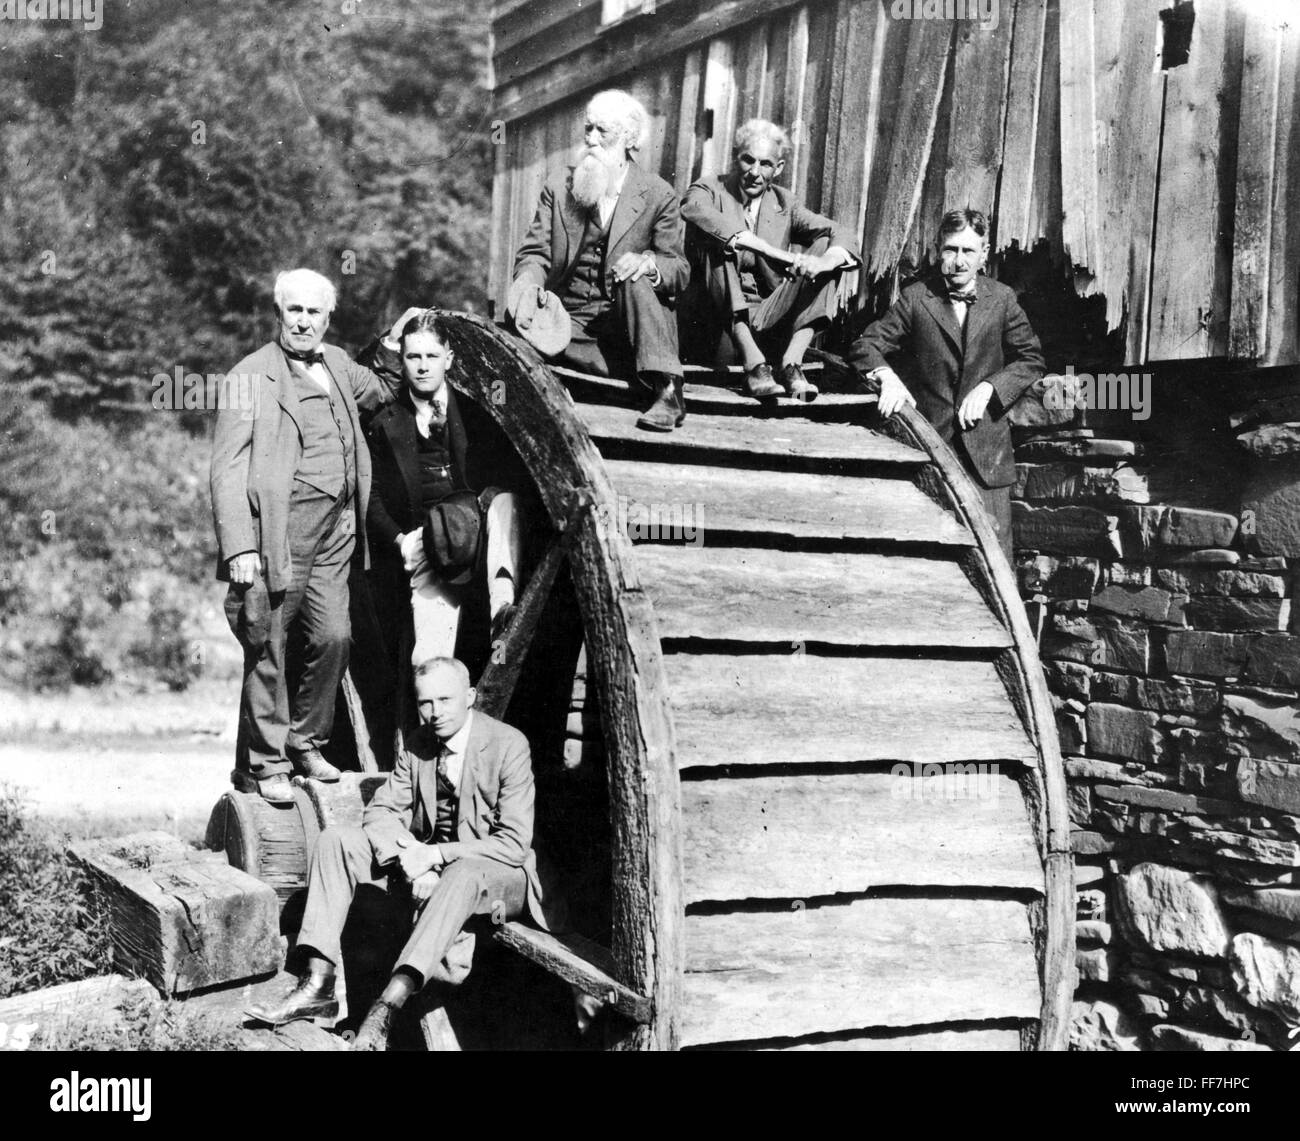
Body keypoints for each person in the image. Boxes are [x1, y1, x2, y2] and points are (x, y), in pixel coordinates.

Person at [245, 656, 555, 1051]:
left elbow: (512, 843)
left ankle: (387, 1006)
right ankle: (318, 984)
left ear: (471, 697)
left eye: (445, 699)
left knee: (462, 875)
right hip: (434, 865)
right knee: (337, 840)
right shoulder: (418, 743)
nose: (435, 712)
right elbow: (381, 810)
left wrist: (436, 855)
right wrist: (410, 861)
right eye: (426, 702)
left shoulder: (509, 745)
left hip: (500, 877)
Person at [210, 269, 404, 803]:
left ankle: (305, 742)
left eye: (313, 312)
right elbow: (227, 468)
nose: (302, 321)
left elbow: (385, 389)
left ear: (327, 318)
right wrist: (240, 547)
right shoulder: (250, 376)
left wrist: (395, 342)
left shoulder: (340, 363)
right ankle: (266, 762)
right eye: (293, 310)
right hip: (280, 531)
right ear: (278, 314)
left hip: (338, 533)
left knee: (333, 637)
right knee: (267, 644)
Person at [848, 209, 1044, 560]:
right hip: (932, 449)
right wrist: (886, 377)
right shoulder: (915, 298)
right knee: (931, 556)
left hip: (987, 457)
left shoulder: (1002, 299)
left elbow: (1031, 359)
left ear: (984, 254)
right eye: (950, 250)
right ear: (938, 251)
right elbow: (865, 345)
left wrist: (990, 389)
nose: (958, 261)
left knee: (994, 560)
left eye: (968, 252)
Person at [508, 88, 691, 433]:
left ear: (629, 139)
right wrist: (528, 286)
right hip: (568, 322)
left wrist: (648, 263)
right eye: (588, 128)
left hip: (625, 326)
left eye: (602, 131)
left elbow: (679, 269)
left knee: (636, 272)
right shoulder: (560, 186)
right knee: (513, 335)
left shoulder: (657, 194)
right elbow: (535, 253)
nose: (591, 139)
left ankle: (668, 389)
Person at [360, 309, 528, 681]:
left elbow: (511, 471)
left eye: (432, 357)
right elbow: (369, 496)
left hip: (480, 531)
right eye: (413, 357)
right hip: (430, 544)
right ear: (401, 361)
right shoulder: (384, 422)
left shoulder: (478, 413)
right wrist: (402, 541)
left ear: (448, 359)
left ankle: (503, 606)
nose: (422, 367)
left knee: (506, 502)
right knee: (429, 662)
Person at [682, 118, 860, 403]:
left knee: (828, 247)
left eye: (765, 164)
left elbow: (840, 232)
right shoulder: (708, 189)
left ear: (778, 169)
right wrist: (769, 250)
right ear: (734, 158)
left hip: (766, 315)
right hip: (716, 325)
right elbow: (695, 211)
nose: (754, 172)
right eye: (747, 160)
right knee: (719, 243)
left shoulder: (784, 202)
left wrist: (825, 261)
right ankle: (754, 365)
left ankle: (792, 363)